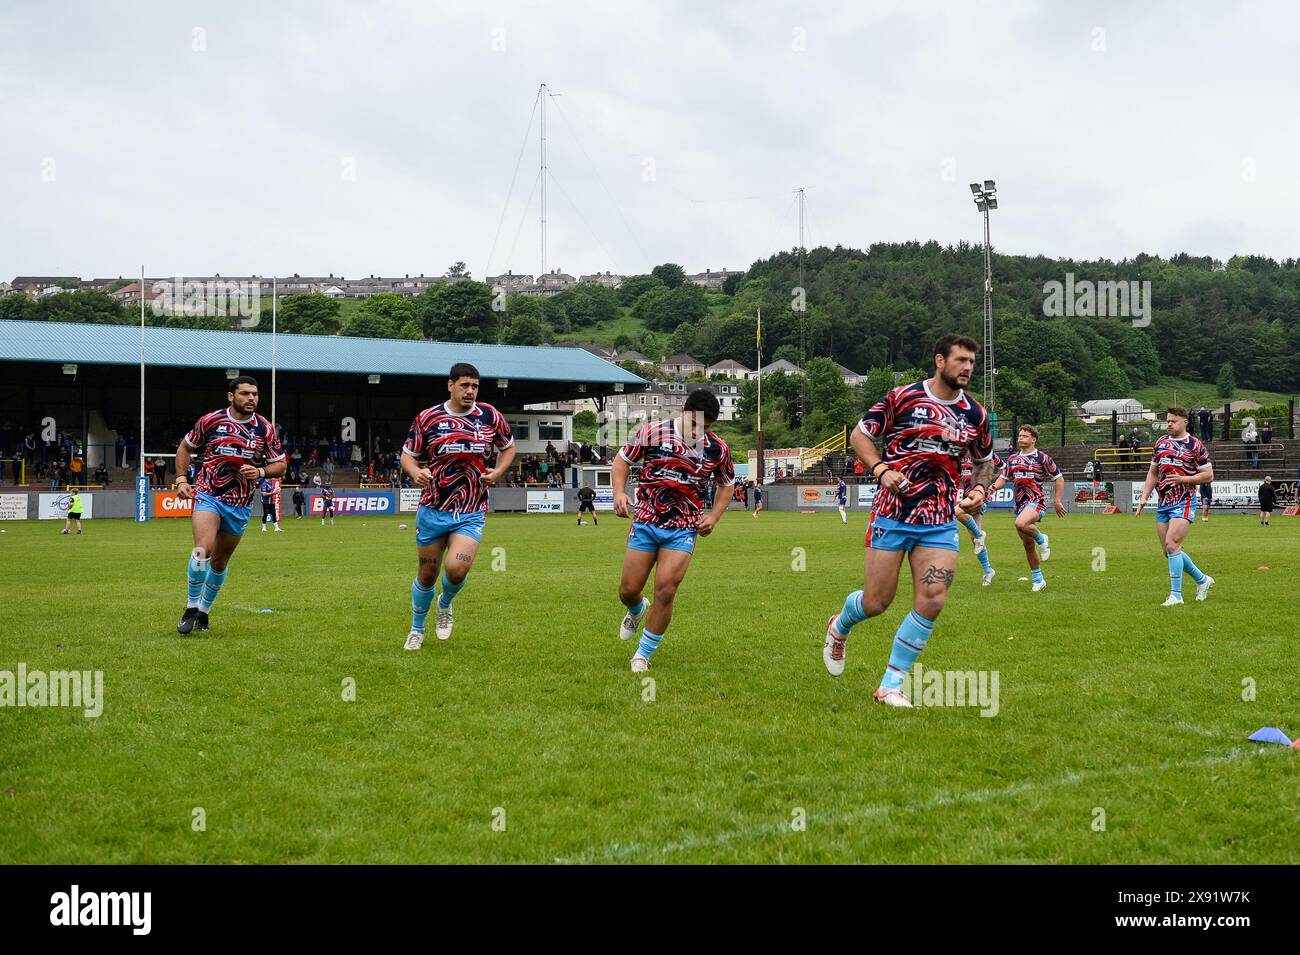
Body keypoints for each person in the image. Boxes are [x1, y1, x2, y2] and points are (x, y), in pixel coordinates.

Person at [821, 333, 994, 708]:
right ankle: (840, 626)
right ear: (939, 360)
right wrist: (881, 469)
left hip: (940, 519)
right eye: (960, 360)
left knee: (933, 599)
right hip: (892, 513)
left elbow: (984, 462)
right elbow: (860, 435)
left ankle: (890, 686)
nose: (967, 368)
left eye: (971, 362)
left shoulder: (976, 414)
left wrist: (979, 491)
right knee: (877, 601)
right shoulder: (902, 398)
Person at [613, 388, 737, 672]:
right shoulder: (652, 432)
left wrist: (715, 516)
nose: (697, 432)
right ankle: (636, 609)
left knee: (666, 589)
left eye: (704, 428)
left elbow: (727, 483)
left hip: (683, 528)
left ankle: (642, 655)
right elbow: (622, 460)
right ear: (682, 411)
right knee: (628, 591)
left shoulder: (718, 449)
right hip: (645, 522)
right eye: (693, 424)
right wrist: (619, 493)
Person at [400, 362, 516, 650]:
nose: (470, 391)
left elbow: (509, 447)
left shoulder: (490, 415)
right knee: (427, 573)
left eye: (475, 386)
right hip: (433, 507)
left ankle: (446, 603)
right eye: (464, 385)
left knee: (456, 570)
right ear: (450, 385)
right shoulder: (428, 418)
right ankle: (417, 629)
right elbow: (407, 456)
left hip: (471, 509)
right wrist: (415, 472)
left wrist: (499, 472)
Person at [174, 376, 286, 634]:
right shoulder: (211, 420)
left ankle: (204, 612)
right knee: (203, 549)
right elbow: (185, 447)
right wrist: (181, 479)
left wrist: (260, 472)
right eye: (245, 393)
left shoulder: (265, 429)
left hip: (241, 503)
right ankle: (191, 606)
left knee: (220, 562)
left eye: (255, 394)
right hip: (208, 494)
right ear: (230, 396)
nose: (251, 399)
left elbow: (281, 465)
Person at [1135, 407, 1214, 607]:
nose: (1169, 424)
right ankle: (1202, 580)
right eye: (1168, 421)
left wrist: (1184, 479)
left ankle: (1176, 596)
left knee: (1172, 545)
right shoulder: (1161, 443)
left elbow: (1208, 475)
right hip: (1164, 503)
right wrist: (1144, 497)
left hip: (1184, 500)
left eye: (1174, 421)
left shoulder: (1195, 445)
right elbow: (1153, 472)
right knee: (1168, 550)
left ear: (1185, 422)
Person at [989, 425, 1066, 592]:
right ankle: (1038, 580)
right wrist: (993, 488)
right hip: (1019, 505)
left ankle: (1042, 538)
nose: (1021, 438)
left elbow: (1059, 478)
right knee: (1028, 545)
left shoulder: (1042, 458)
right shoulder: (1013, 459)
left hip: (1036, 501)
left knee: (1020, 523)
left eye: (1025, 436)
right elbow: (1003, 478)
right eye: (1020, 435)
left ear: (1033, 439)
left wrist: (1058, 500)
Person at [955, 450, 995, 586]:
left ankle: (980, 535)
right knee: (975, 541)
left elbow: (1002, 468)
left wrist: (989, 486)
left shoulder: (981, 455)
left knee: (957, 511)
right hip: (967, 497)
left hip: (980, 498)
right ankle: (988, 571)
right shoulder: (958, 457)